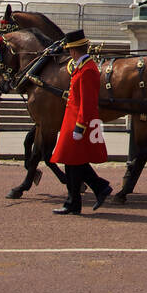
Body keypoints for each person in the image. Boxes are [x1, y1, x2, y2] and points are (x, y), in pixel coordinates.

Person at [50, 30, 113, 214]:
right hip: (73, 119)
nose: (69, 53)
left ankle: (80, 198)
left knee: (73, 162)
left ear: (74, 51)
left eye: (70, 50)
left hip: (79, 122)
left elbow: (87, 102)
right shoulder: (82, 67)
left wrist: (80, 126)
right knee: (71, 162)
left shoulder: (87, 70)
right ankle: (87, 195)